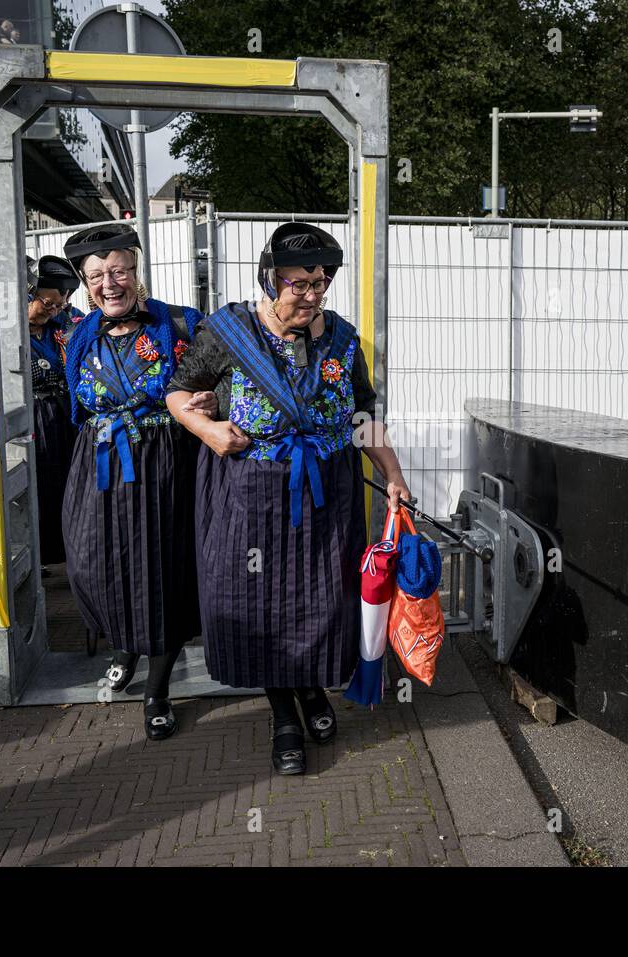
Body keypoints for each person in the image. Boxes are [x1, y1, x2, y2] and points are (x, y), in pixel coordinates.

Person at [166, 222, 411, 775]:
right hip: (251, 494)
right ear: (269, 277)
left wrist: (393, 474)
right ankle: (283, 714)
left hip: (329, 491)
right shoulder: (228, 331)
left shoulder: (342, 338)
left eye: (321, 283)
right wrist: (206, 430)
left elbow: (363, 415)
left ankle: (311, 689)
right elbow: (178, 390)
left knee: (323, 597)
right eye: (298, 284)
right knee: (263, 605)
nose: (311, 295)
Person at [60, 224, 215, 741]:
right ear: (85, 283)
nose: (110, 283)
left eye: (119, 271)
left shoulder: (179, 323)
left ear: (136, 271)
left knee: (160, 571)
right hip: (98, 462)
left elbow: (222, 378)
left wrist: (210, 404)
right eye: (97, 275)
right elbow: (75, 404)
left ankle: (157, 690)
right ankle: (122, 647)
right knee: (94, 561)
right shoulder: (80, 334)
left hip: (164, 463)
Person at [26, 255, 81, 566]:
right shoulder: (7, 330)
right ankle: (37, 555)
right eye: (47, 303)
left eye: (59, 304)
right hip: (30, 418)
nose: (53, 310)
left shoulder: (68, 325)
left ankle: (65, 554)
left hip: (63, 416)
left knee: (67, 484)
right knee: (37, 487)